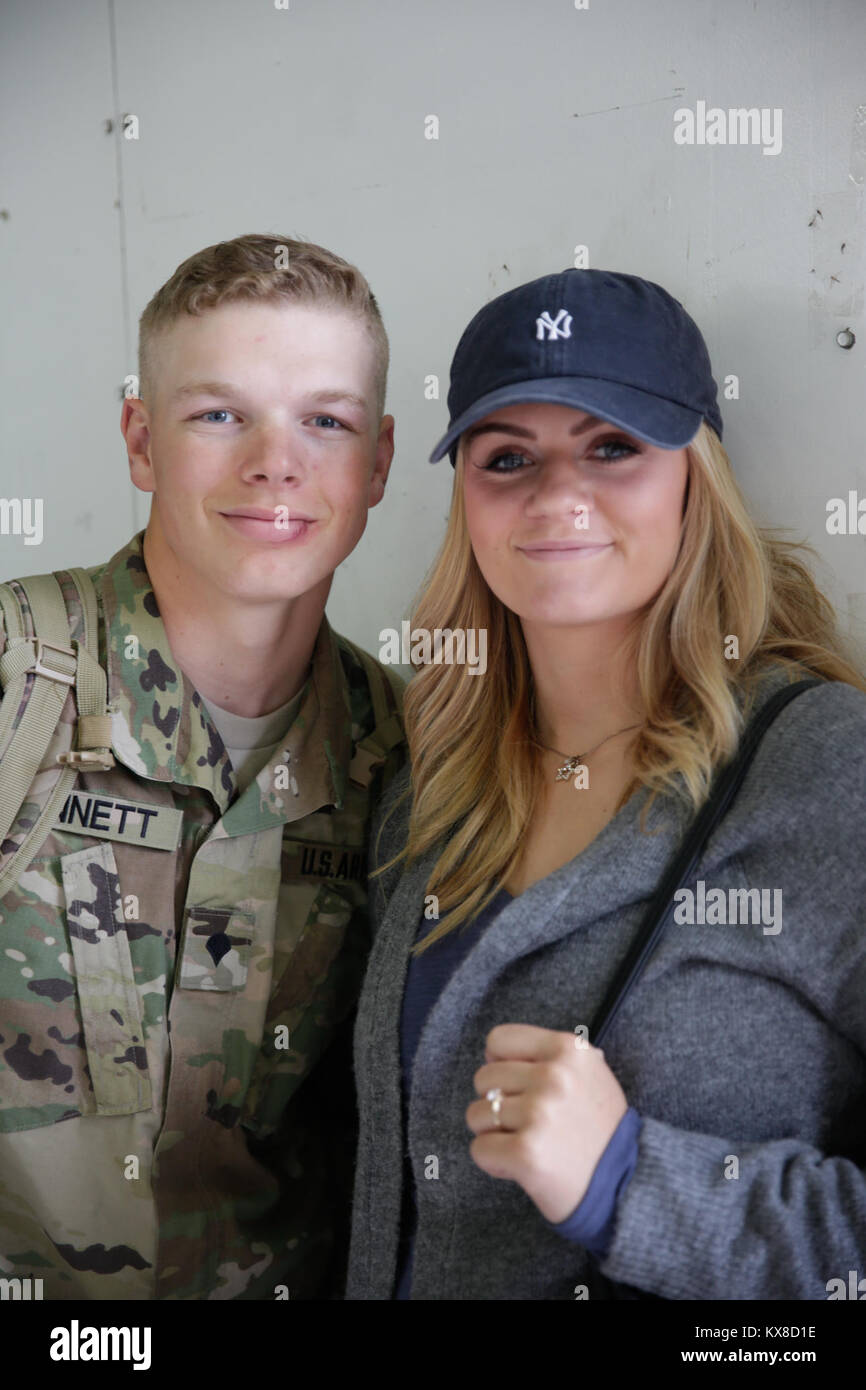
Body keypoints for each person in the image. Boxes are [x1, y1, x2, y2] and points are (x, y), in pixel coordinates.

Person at [345, 267, 866, 1300]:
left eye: (612, 446)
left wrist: (629, 1180)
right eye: (507, 458)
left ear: (693, 476)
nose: (555, 496)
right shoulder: (429, 782)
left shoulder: (826, 771)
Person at [0, 234, 408, 1299]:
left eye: (325, 419)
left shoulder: (399, 753)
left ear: (379, 461)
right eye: (218, 413)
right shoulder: (18, 681)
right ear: (141, 440)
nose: (276, 462)